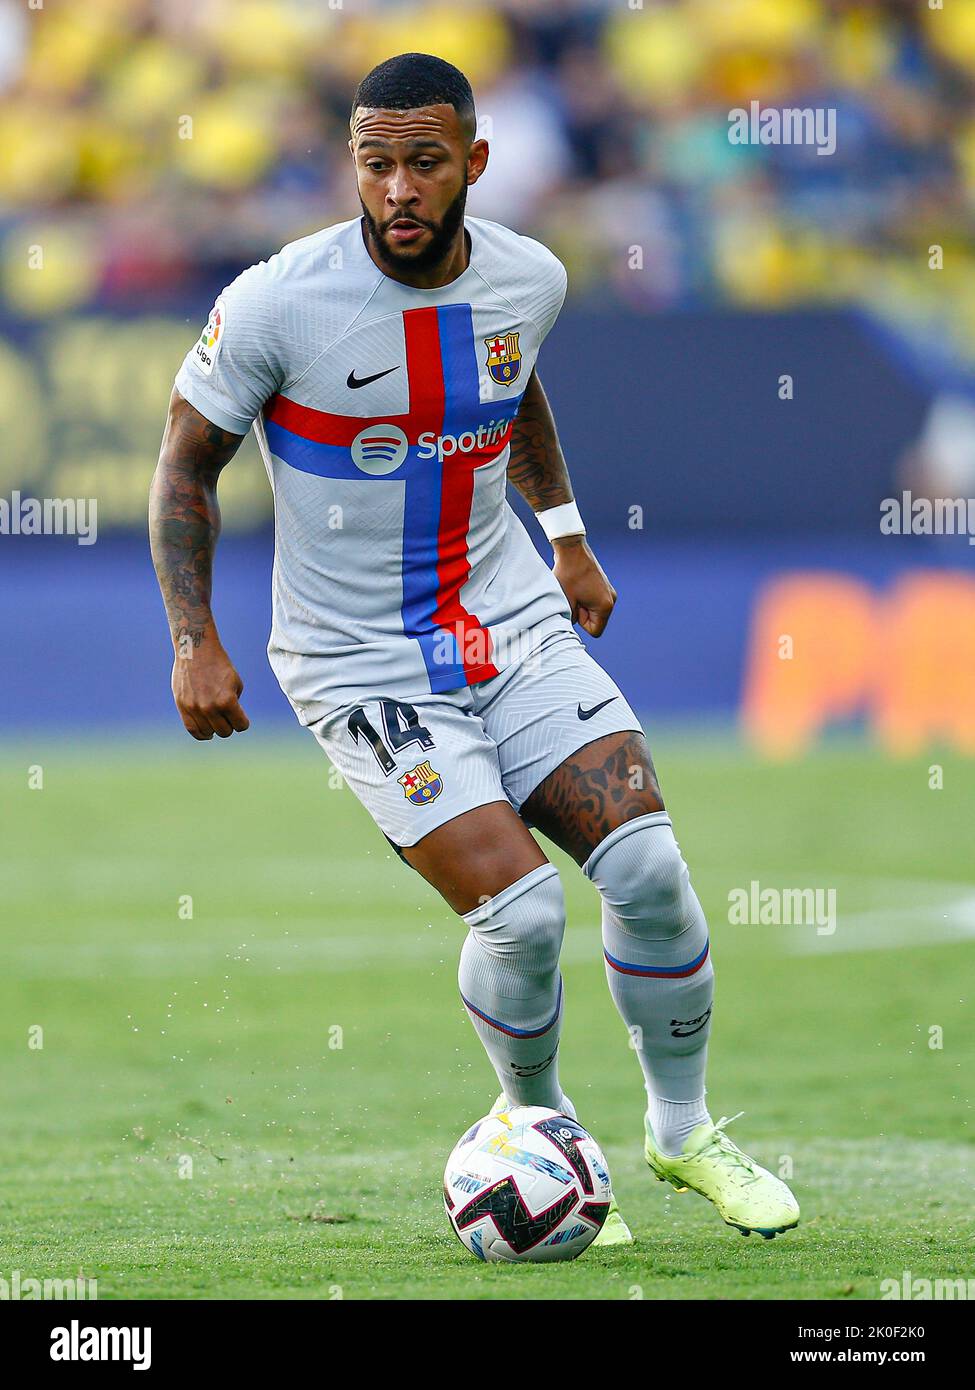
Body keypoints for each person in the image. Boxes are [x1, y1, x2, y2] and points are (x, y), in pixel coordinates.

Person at [149, 52, 799, 1246]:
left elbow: (513, 386)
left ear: (475, 165)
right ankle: (539, 1135)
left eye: (423, 163)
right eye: (375, 162)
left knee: (651, 874)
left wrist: (566, 536)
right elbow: (186, 463)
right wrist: (196, 637)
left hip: (503, 616)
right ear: (354, 163)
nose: (397, 187)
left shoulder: (529, 276)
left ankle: (683, 1129)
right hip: (357, 661)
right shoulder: (278, 300)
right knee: (524, 916)